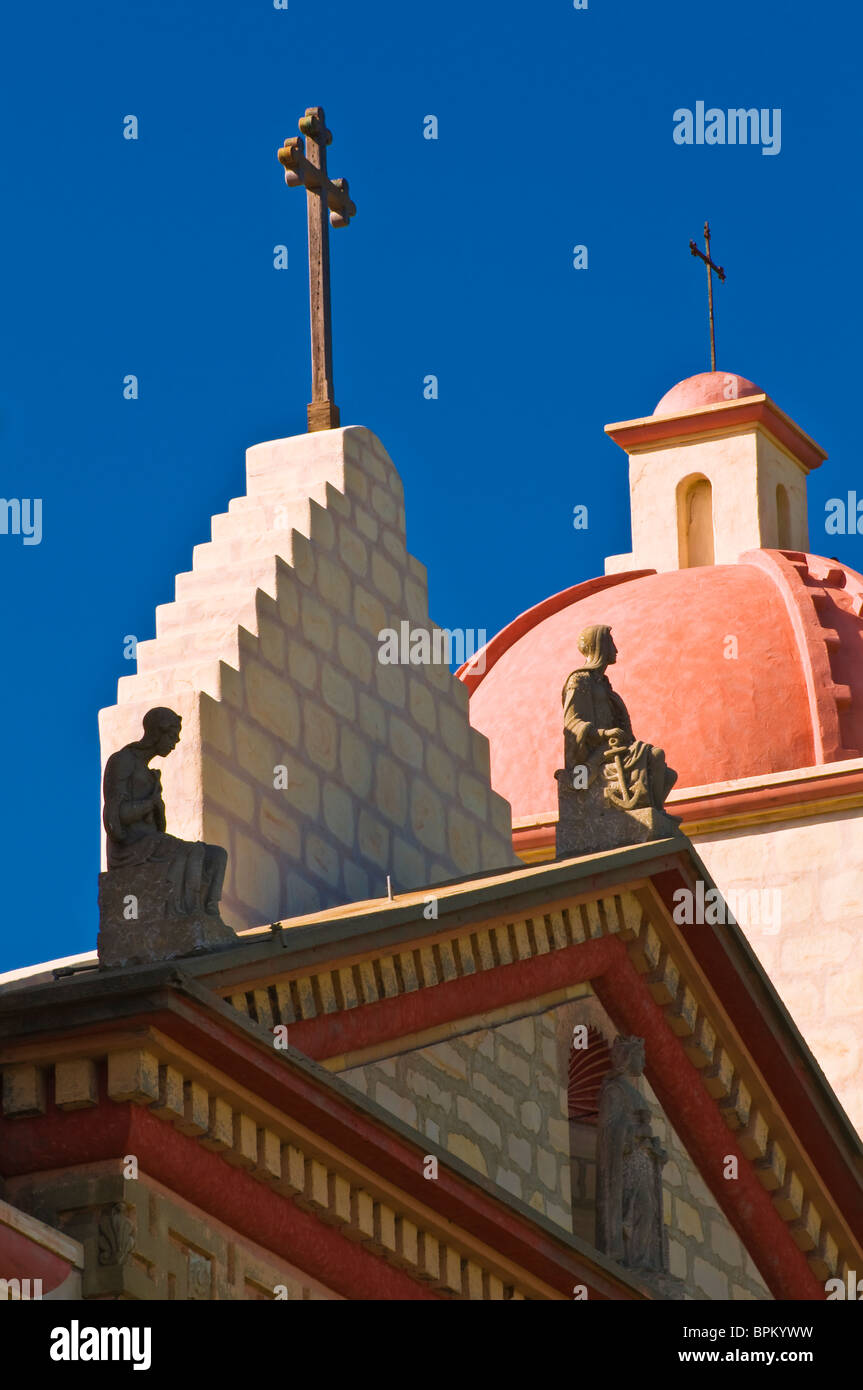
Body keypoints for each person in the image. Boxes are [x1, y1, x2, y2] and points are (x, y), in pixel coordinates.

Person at [103, 707, 226, 918]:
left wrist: (158, 807)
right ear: (157, 732)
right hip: (130, 849)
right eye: (172, 735)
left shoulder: (149, 773)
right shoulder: (123, 761)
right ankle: (189, 913)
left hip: (153, 843)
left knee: (216, 856)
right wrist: (150, 804)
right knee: (194, 853)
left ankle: (209, 912)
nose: (176, 741)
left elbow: (159, 827)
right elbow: (115, 819)